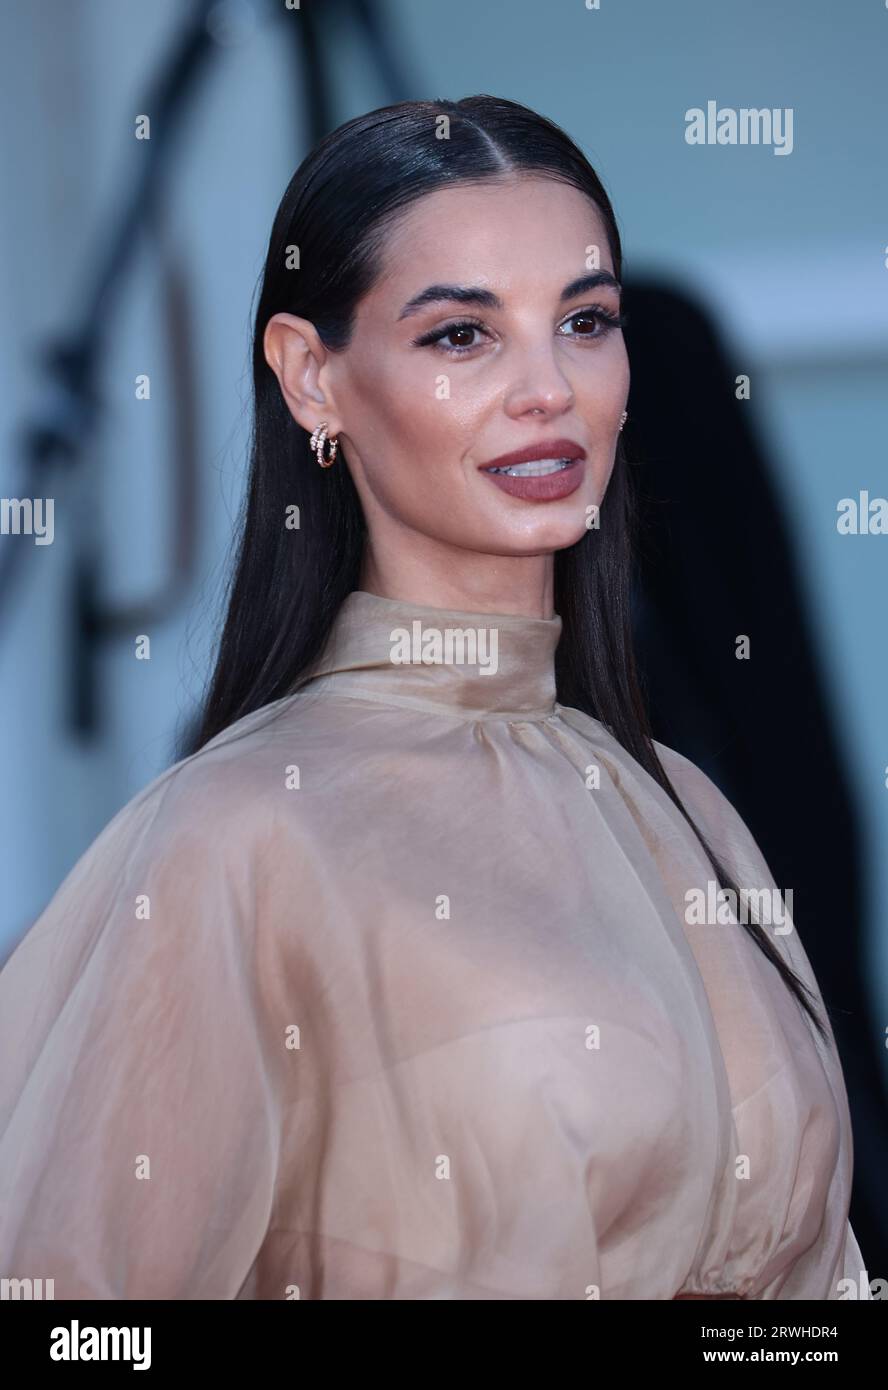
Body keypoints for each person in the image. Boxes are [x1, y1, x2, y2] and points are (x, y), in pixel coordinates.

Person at [0, 95, 869, 1300]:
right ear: (312, 378)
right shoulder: (238, 834)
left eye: (585, 320)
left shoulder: (692, 812)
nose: (548, 388)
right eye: (463, 335)